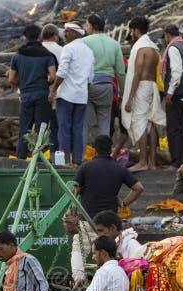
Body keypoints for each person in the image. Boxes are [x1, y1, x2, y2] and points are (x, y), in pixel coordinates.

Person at [71, 134, 143, 290]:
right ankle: (107, 284)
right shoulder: (119, 168)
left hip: (88, 220)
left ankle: (79, 279)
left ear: (94, 149)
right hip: (110, 224)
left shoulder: (85, 167)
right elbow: (138, 188)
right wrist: (124, 203)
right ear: (111, 149)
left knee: (78, 248)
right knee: (107, 254)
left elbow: (73, 191)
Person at [122, 16, 166, 172]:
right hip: (152, 87)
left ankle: (142, 161)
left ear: (134, 30)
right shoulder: (153, 48)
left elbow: (137, 74)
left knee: (139, 121)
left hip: (141, 87)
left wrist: (130, 98)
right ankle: (152, 163)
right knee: (150, 124)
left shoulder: (140, 48)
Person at [49, 22, 94, 167]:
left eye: (67, 31)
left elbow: (61, 72)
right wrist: (83, 90)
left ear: (76, 33)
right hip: (81, 96)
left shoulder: (68, 48)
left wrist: (54, 89)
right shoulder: (88, 51)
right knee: (77, 129)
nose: (65, 34)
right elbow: (90, 78)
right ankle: (77, 161)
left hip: (66, 95)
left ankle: (65, 162)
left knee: (64, 129)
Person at [9, 24, 57, 159]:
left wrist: (22, 84)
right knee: (40, 129)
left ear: (25, 37)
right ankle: (38, 159)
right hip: (42, 94)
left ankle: (20, 159)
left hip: (25, 95)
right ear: (40, 36)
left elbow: (11, 78)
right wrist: (45, 83)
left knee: (24, 128)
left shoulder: (18, 56)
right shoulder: (47, 55)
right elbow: (53, 77)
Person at [84, 14, 126, 145]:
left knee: (86, 123)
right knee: (104, 123)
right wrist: (121, 93)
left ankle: (81, 157)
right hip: (107, 86)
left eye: (86, 25)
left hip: (88, 86)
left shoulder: (85, 42)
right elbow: (120, 71)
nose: (86, 28)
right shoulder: (114, 44)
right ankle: (103, 154)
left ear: (91, 26)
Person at [162, 24, 183, 168]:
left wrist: (170, 92)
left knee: (173, 129)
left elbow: (176, 72)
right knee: (180, 128)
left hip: (177, 94)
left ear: (167, 35)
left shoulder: (173, 48)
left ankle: (176, 161)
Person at [41, 23, 63, 156]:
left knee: (37, 128)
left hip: (36, 95)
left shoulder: (35, 50)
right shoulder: (61, 50)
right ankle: (55, 156)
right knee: (55, 128)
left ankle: (36, 157)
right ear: (55, 36)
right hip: (56, 94)